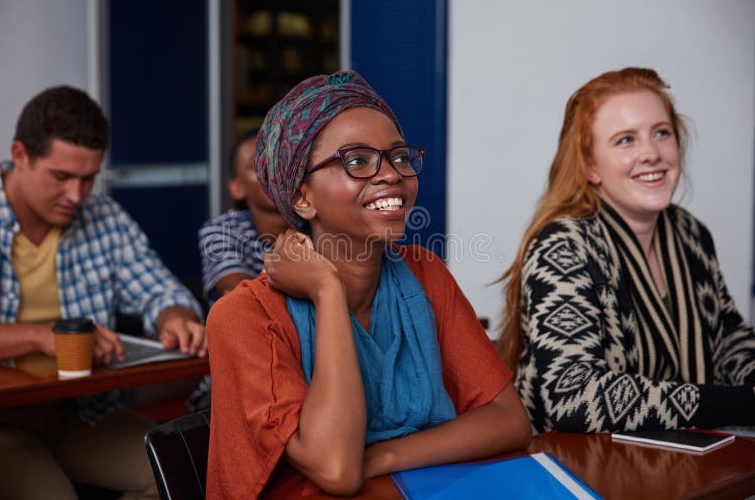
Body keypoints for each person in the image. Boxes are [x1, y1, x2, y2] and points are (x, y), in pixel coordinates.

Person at [205, 71, 531, 498]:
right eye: (357, 161)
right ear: (302, 198)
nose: (392, 175)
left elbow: (510, 420)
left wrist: (381, 457)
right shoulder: (244, 316)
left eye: (399, 157)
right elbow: (337, 470)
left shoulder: (425, 273)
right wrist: (326, 291)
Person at [0, 85, 207, 500]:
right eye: (62, 176)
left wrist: (177, 317)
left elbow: (159, 289)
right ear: (20, 155)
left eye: (88, 178)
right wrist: (41, 336)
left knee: (184, 469)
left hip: (83, 415)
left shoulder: (102, 216)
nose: (76, 195)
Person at [498, 67, 755, 434]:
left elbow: (728, 338)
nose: (651, 153)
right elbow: (574, 396)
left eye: (661, 133)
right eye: (625, 140)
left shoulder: (691, 234)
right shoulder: (564, 247)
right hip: (574, 468)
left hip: (678, 463)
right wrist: (741, 403)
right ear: (590, 166)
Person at [188, 128, 287, 411]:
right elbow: (241, 295)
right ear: (237, 188)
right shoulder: (222, 230)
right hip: (234, 388)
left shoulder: (321, 229)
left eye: (279, 162)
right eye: (258, 168)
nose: (272, 174)